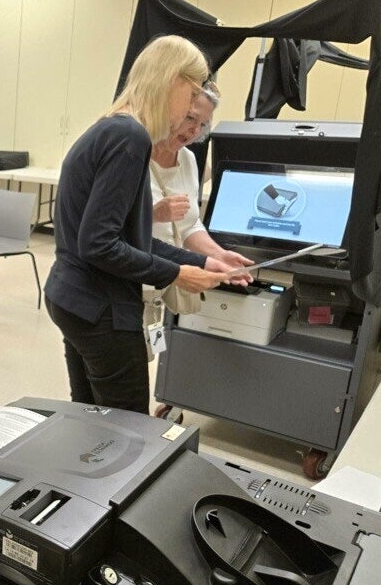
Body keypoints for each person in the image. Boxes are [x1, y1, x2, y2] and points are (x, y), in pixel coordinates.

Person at [44, 35, 249, 415]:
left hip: (73, 297)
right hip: (99, 306)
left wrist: (205, 263)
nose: (192, 111)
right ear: (173, 81)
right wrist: (177, 274)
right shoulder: (130, 137)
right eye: (191, 98)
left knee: (89, 418)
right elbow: (101, 244)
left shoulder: (113, 128)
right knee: (127, 430)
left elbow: (129, 237)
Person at [144, 81, 252, 328]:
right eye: (190, 118)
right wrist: (153, 214)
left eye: (203, 124)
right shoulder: (136, 152)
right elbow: (114, 226)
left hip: (160, 287)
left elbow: (190, 225)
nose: (194, 130)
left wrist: (218, 254)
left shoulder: (189, 159)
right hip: (129, 282)